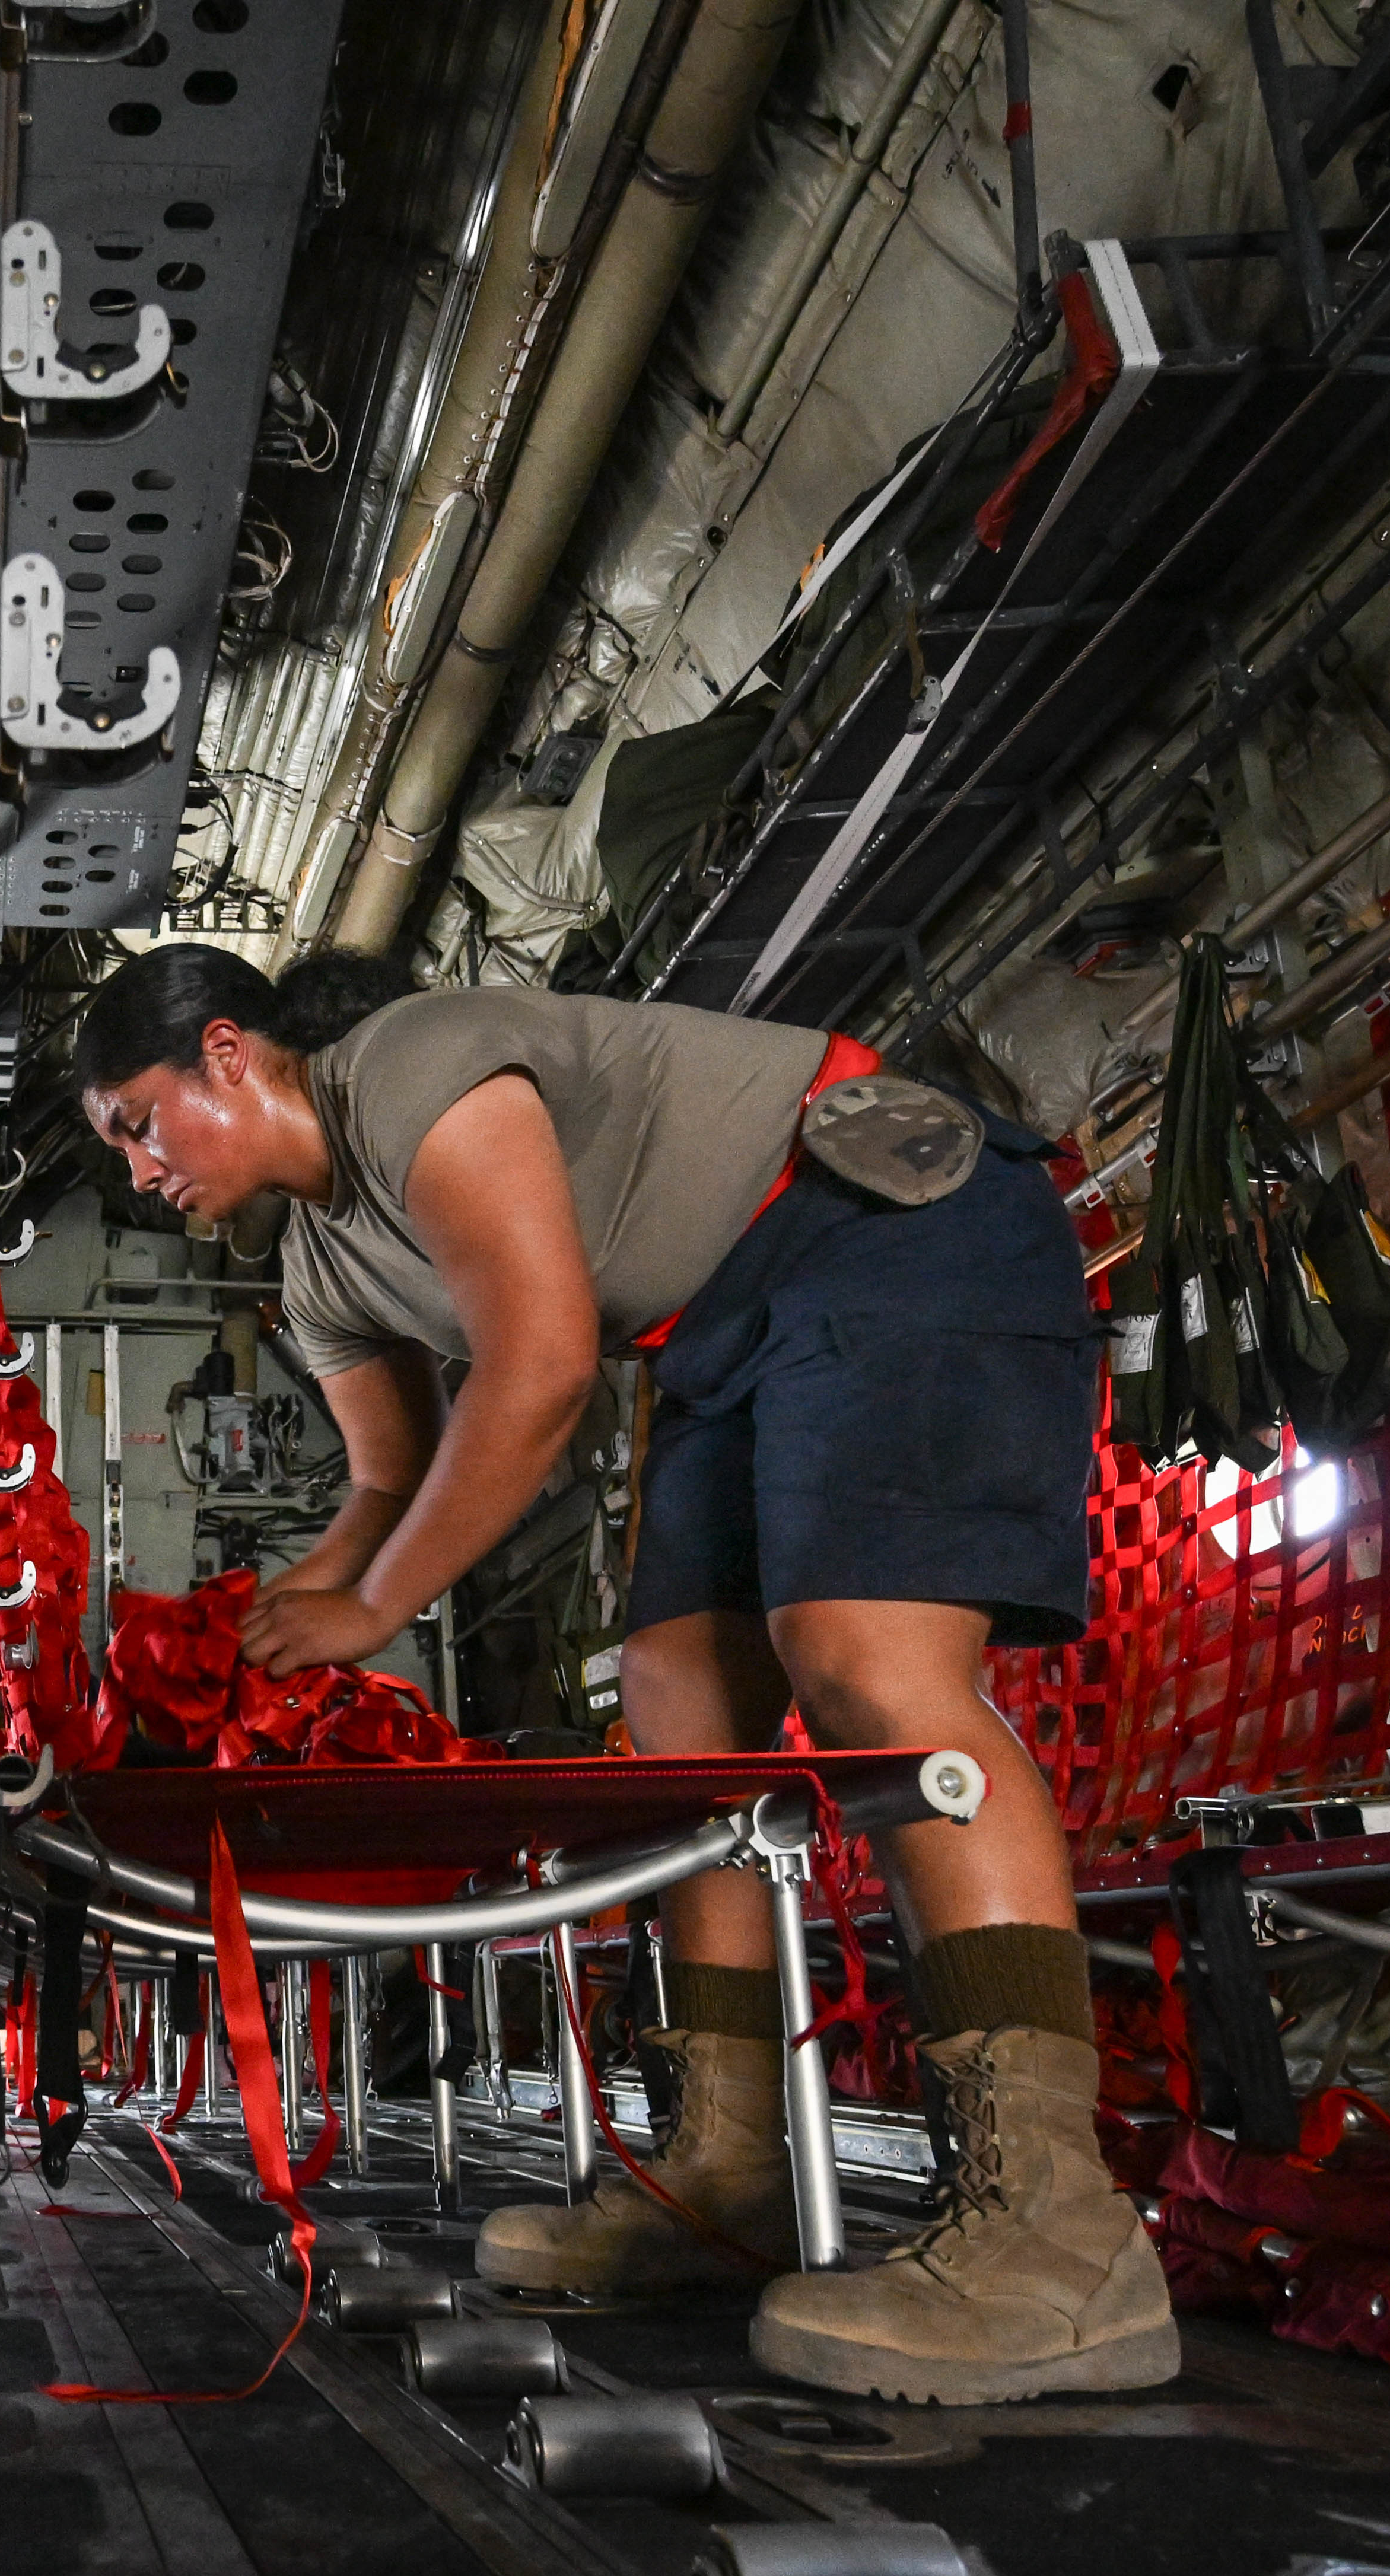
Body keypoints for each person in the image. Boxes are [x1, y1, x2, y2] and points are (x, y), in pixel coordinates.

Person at [71, 944, 1173, 2406]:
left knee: (861, 1660)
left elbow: (539, 1373)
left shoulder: (409, 1067)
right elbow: (384, 1487)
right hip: (729, 1329)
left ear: (228, 1053)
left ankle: (1060, 2226)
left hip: (892, 1225)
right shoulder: (318, 1266)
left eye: (140, 1122)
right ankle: (728, 2173)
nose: (141, 1172)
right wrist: (239, 1637)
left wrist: (374, 1609)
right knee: (674, 1699)